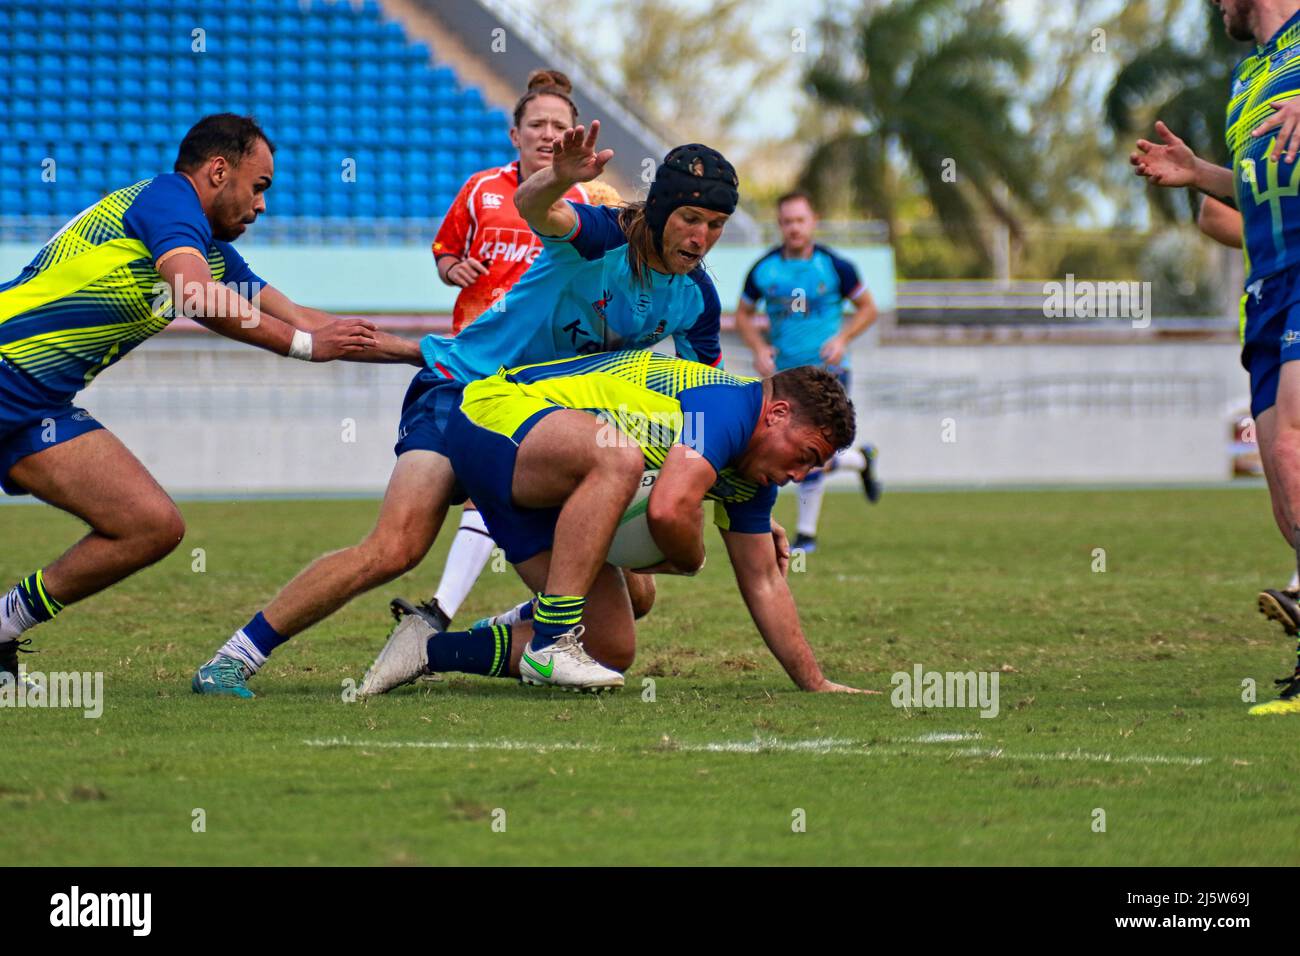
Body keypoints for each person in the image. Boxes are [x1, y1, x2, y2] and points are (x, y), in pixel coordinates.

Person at [193, 123, 740, 697]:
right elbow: (537, 208)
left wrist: (742, 499)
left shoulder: (697, 298)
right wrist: (557, 177)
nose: (701, 238)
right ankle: (234, 658)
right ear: (658, 210)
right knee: (395, 547)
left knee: (629, 612)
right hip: (460, 393)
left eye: (716, 226)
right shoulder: (602, 236)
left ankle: (458, 642)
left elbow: (707, 400)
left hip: (537, 424)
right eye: (689, 219)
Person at [0, 113, 417, 689]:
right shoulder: (167, 199)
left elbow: (309, 320)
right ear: (219, 170)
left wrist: (426, 356)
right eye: (259, 186)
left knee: (148, 525)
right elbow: (194, 294)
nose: (262, 205)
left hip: (38, 403)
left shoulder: (212, 252)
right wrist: (304, 347)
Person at [358, 349, 870, 694]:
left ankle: (428, 648)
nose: (800, 474)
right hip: (495, 421)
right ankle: (548, 636)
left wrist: (815, 683)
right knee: (622, 465)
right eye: (804, 454)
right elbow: (669, 508)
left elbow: (763, 581)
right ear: (777, 413)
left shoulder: (754, 477)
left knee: (610, 649)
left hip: (549, 485)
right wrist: (692, 558)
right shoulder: (727, 408)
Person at [1130, 0, 1300, 713]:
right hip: (1267, 288)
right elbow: (1257, 190)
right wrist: (1200, 173)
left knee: (1293, 440)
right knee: (1280, 479)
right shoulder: (1249, 76)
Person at [415, 70, 625, 635]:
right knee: (443, 503)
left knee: (494, 493)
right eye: (537, 124)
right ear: (516, 134)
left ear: (575, 134)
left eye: (560, 125)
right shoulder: (480, 189)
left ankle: (450, 617)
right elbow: (445, 253)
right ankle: (474, 616)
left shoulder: (583, 203)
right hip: (471, 363)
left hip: (543, 372)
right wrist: (451, 267)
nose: (548, 134)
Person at [733, 190, 881, 553]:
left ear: (813, 221)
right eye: (786, 221)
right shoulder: (764, 268)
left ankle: (806, 535)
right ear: (780, 225)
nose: (794, 228)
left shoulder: (835, 266)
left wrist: (843, 338)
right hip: (785, 377)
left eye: (800, 220)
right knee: (798, 450)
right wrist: (758, 347)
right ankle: (860, 460)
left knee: (810, 447)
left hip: (829, 373)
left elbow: (868, 308)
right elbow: (742, 315)